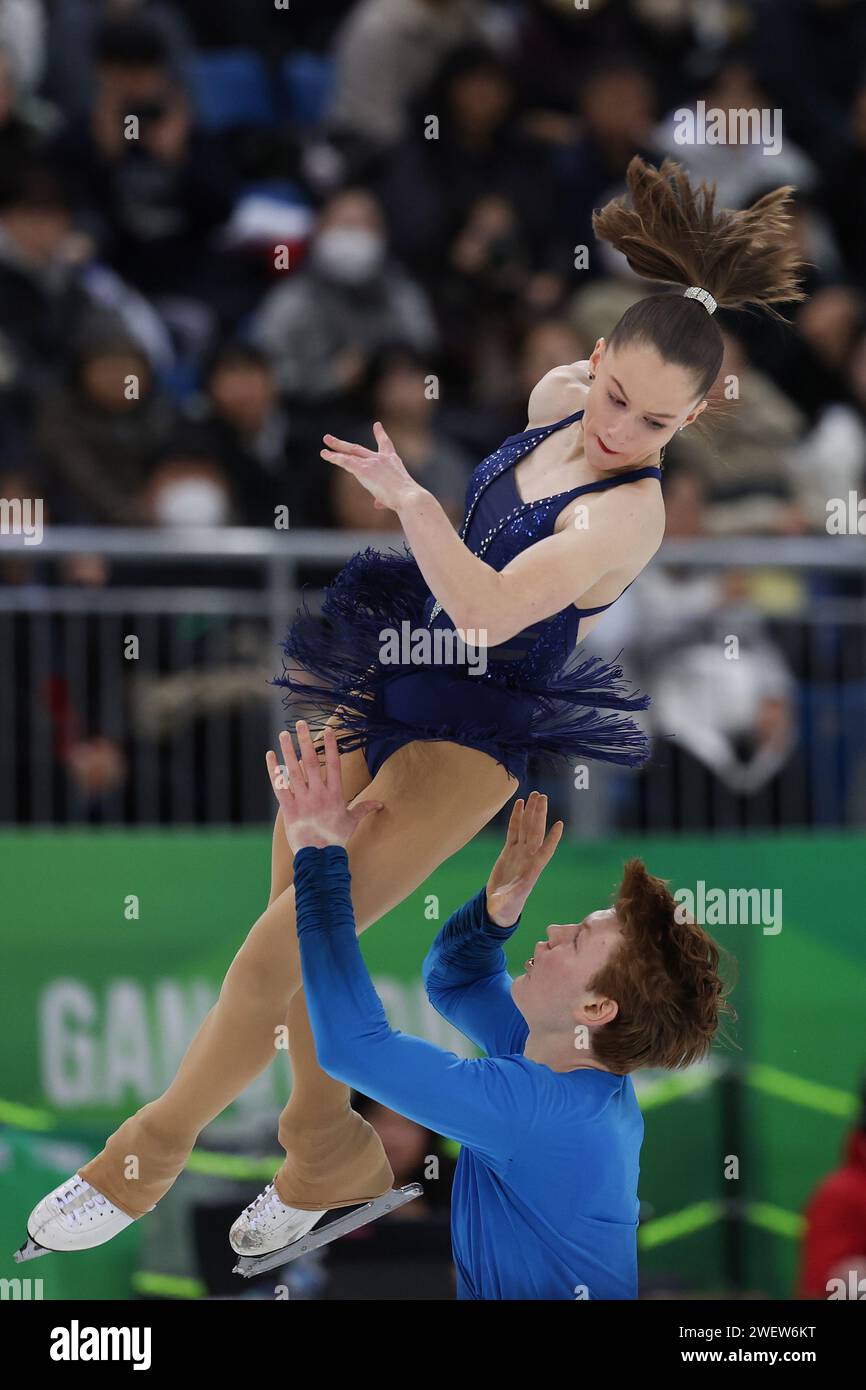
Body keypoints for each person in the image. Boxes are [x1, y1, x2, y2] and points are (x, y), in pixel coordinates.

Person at [16, 156, 802, 1268]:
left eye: (657, 421)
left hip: (476, 724)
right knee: (289, 894)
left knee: (272, 950)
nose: (624, 427)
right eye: (615, 394)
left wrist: (412, 501)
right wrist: (451, 497)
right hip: (395, 665)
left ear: (690, 420)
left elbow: (482, 613)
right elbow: (501, 504)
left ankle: (146, 1152)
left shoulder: (629, 517)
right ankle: (320, 1142)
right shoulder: (557, 404)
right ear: (595, 360)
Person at [237, 721, 732, 1299]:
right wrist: (495, 911)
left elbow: (354, 1046)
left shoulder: (541, 1109)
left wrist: (322, 858)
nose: (554, 929)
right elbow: (453, 981)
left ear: (596, 1007)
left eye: (577, 939)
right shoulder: (566, 1064)